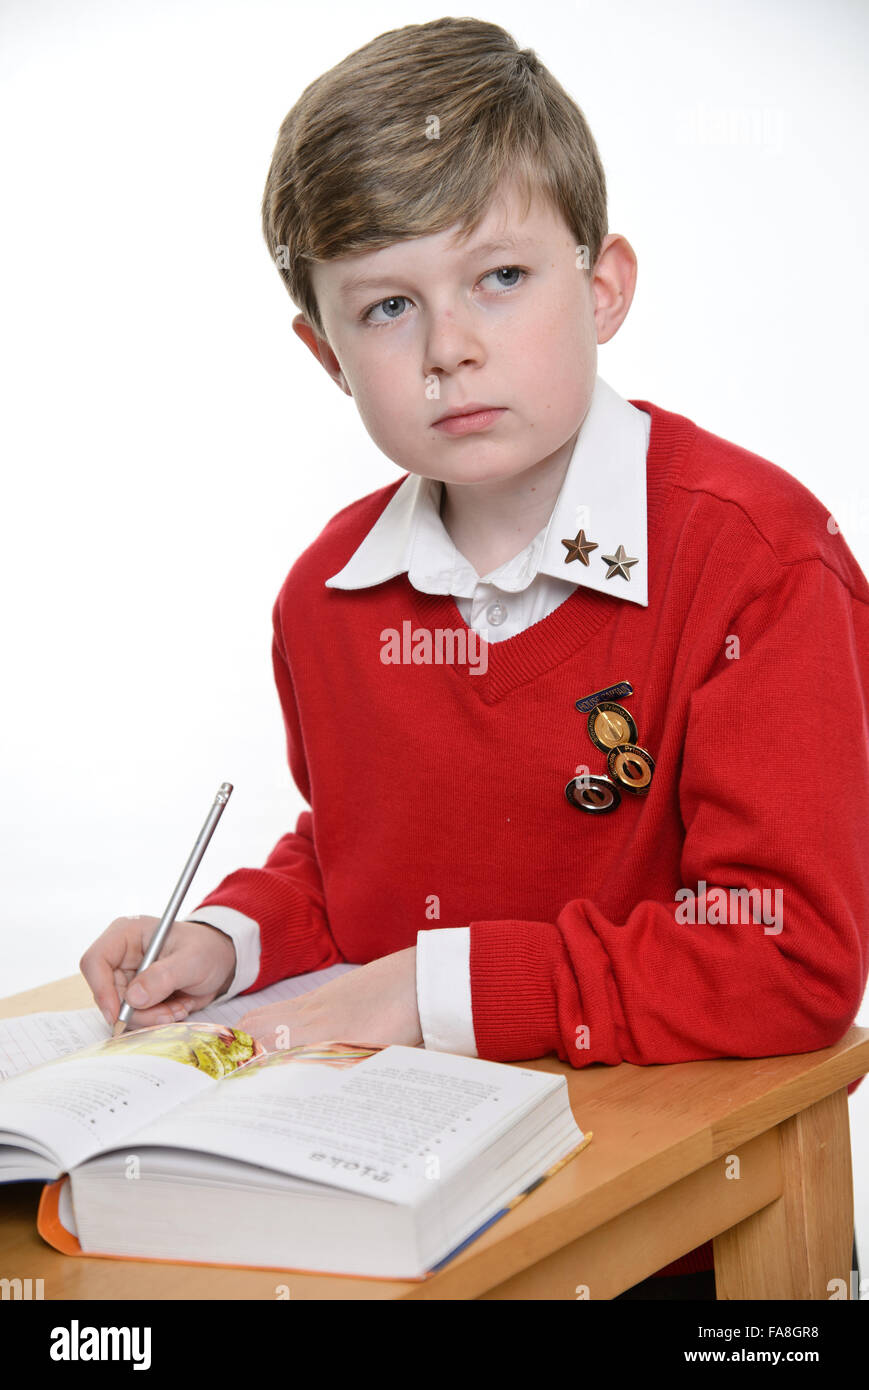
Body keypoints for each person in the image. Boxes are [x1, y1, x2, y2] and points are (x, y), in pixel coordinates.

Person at [79, 16, 869, 1296]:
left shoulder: (760, 563)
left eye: (498, 278)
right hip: (404, 1216)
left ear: (602, 283)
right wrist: (230, 937)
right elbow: (363, 863)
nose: (448, 347)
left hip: (681, 1224)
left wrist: (422, 988)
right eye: (389, 306)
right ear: (324, 352)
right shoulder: (327, 599)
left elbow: (786, 957)